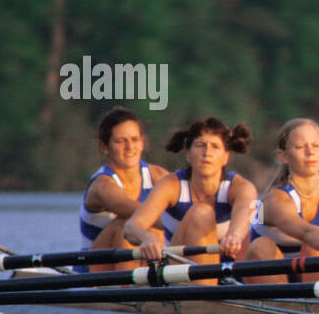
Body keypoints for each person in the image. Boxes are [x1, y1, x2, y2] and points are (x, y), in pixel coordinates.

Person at [123, 117, 258, 276]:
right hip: (182, 273)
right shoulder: (171, 185)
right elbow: (131, 227)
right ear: (188, 153)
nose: (207, 153)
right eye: (200, 145)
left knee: (261, 243)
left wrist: (234, 235)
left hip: (230, 270)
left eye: (215, 147)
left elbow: (244, 210)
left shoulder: (240, 187)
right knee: (201, 213)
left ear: (225, 157)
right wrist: (147, 237)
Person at [244, 118, 319, 284]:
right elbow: (307, 233)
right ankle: (285, 306)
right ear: (284, 156)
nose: (310, 152)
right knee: (262, 246)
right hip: (275, 279)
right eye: (301, 147)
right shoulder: (275, 199)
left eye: (316, 146)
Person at [77, 107, 169, 271]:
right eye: (120, 141)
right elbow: (142, 214)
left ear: (142, 143)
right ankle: (130, 290)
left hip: (143, 265)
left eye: (134, 139)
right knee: (128, 224)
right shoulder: (102, 186)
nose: (129, 147)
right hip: (95, 272)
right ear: (105, 147)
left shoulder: (158, 175)